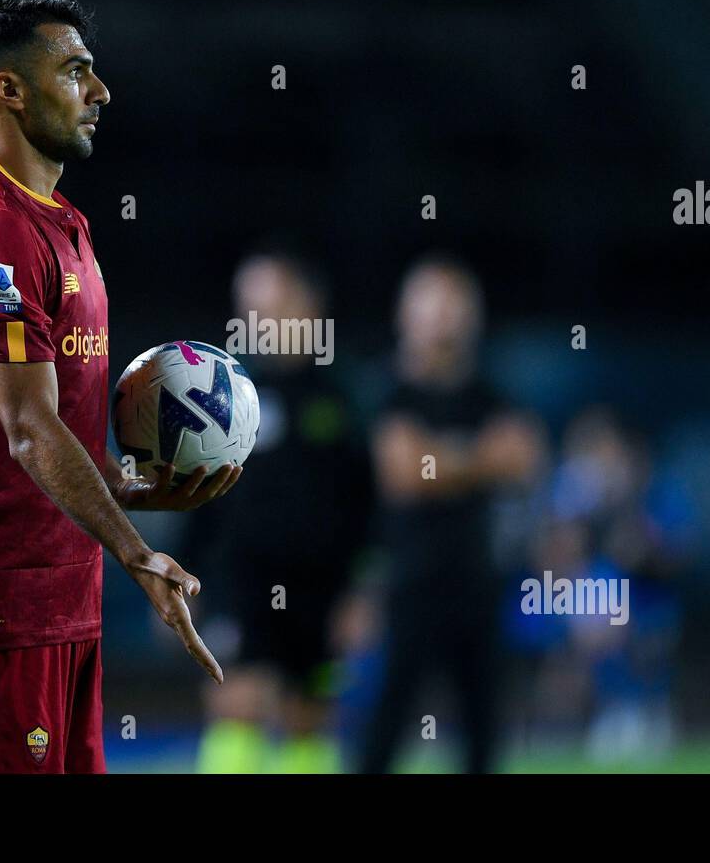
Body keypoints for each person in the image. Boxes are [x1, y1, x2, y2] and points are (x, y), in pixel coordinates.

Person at [0, 0, 240, 774]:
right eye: (76, 70)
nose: (101, 91)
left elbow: (55, 440)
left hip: (58, 605)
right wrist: (138, 554)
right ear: (8, 90)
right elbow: (28, 431)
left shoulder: (62, 223)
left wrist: (135, 489)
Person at [358, 255, 544, 774]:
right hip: (403, 584)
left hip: (479, 583)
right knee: (382, 730)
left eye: (455, 302)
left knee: (485, 734)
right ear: (405, 313)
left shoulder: (492, 392)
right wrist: (481, 459)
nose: (444, 316)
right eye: (431, 301)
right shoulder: (385, 390)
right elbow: (406, 474)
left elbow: (524, 457)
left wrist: (442, 458)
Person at [191, 251, 372, 773]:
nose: (260, 317)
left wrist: (361, 590)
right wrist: (177, 574)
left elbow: (367, 503)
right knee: (237, 703)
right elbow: (195, 495)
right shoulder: (219, 389)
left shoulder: (342, 397)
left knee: (308, 717)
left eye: (272, 302)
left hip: (320, 587)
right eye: (250, 306)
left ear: (308, 306)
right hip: (238, 581)